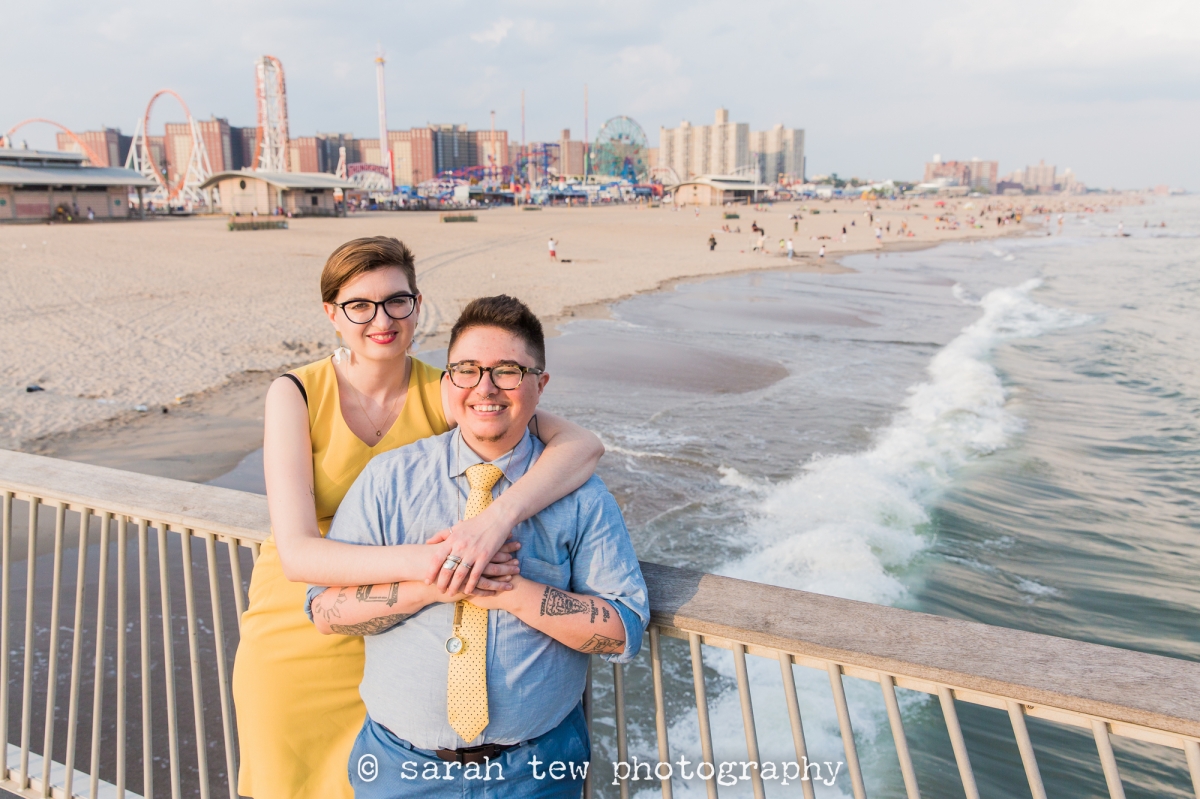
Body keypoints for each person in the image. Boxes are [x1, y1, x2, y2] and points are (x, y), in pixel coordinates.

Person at [232, 238, 604, 799]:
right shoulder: (296, 393)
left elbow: (582, 446)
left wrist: (496, 520)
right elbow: (300, 553)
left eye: (396, 301)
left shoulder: (449, 387)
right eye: (359, 305)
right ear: (332, 314)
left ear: (417, 304)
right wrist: (442, 560)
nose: (381, 319)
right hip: (305, 622)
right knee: (290, 780)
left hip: (401, 631)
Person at [307, 296, 648, 797]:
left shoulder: (582, 496)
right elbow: (323, 610)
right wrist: (433, 585)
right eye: (467, 370)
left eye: (508, 371)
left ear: (540, 384)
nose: (484, 388)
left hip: (536, 770)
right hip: (399, 769)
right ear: (448, 383)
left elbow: (624, 630)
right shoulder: (388, 480)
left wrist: (510, 591)